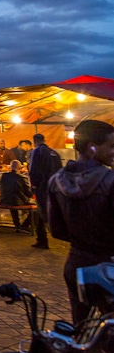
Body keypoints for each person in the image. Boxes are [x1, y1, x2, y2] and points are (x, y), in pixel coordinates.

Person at [47, 120, 114, 324]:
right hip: (108, 265)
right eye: (111, 146)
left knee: (81, 329)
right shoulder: (110, 180)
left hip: (77, 262)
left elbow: (56, 230)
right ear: (91, 147)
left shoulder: (57, 181)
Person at [28, 133, 62, 250]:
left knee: (41, 214)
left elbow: (33, 171)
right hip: (55, 187)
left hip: (42, 188)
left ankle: (42, 240)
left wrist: (34, 186)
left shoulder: (36, 152)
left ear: (34, 141)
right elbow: (60, 170)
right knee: (52, 210)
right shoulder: (54, 153)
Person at [0, 160, 33, 232]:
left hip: (3, 200)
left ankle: (17, 225)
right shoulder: (22, 177)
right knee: (37, 209)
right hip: (17, 201)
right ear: (19, 168)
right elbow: (29, 193)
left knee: (12, 200)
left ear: (10, 167)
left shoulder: (2, 176)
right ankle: (24, 226)